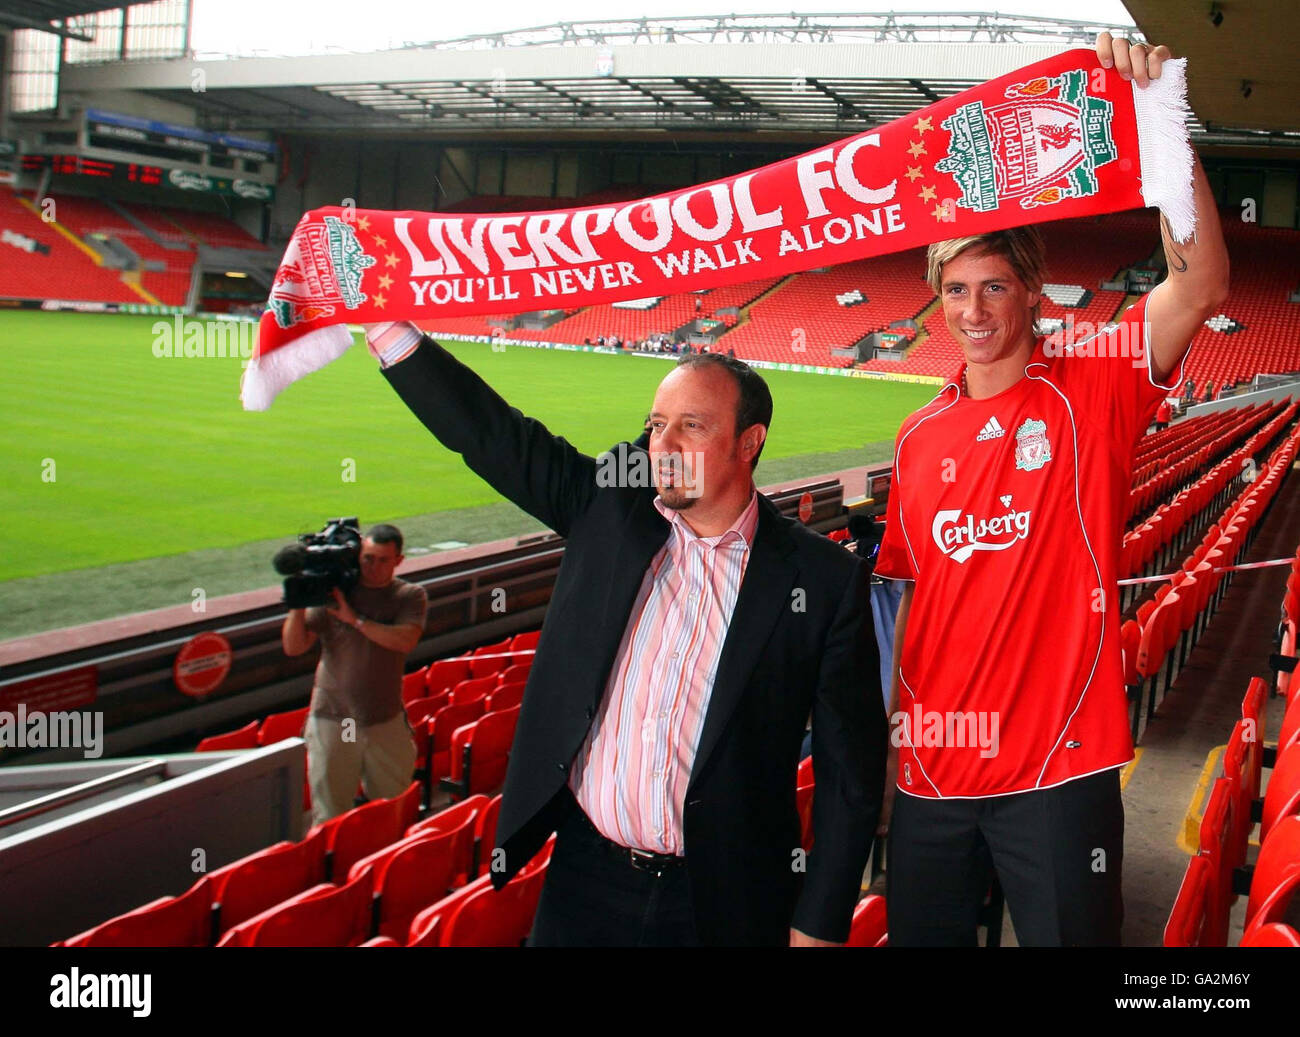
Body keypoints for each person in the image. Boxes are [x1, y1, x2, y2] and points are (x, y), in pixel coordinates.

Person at [362, 320, 885, 947]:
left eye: (691, 425)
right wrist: (389, 331)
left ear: (750, 441)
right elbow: (493, 435)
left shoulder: (823, 580)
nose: (662, 443)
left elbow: (849, 769)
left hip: (729, 897)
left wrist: (819, 924)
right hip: (586, 877)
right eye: (655, 423)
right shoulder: (607, 508)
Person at [873, 32, 1229, 948]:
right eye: (955, 289)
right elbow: (905, 606)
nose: (974, 310)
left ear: (1033, 290)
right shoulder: (915, 439)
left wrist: (1159, 122)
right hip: (930, 776)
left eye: (994, 285)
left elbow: (1198, 285)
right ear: (936, 298)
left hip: (1059, 769)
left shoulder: (1093, 380)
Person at [282, 524, 428, 825]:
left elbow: (404, 640)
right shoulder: (334, 594)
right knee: (330, 816)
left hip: (384, 718)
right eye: (368, 558)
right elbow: (294, 647)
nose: (373, 567)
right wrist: (298, 604)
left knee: (392, 810)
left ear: (398, 560)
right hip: (332, 719)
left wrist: (355, 620)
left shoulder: (408, 595)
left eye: (382, 560)